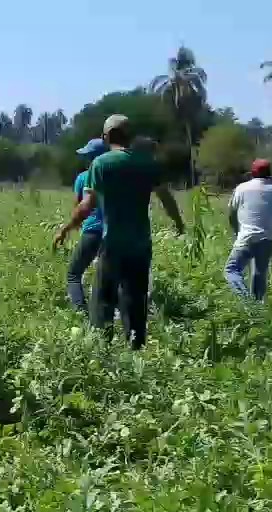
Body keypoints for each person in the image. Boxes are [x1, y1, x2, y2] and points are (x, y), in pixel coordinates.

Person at [54, 115, 185, 348]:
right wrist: (178, 223)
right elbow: (166, 198)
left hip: (113, 243)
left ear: (107, 136)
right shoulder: (147, 163)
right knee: (135, 300)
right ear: (129, 136)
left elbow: (87, 205)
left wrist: (66, 228)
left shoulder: (102, 164)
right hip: (141, 244)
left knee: (103, 299)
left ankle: (101, 351)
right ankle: (135, 349)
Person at [53, 139, 109, 316]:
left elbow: (80, 208)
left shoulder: (83, 178)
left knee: (73, 274)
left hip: (93, 232)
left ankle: (81, 314)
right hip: (116, 232)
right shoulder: (118, 176)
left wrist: (65, 229)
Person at [225, 159, 272, 301]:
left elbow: (231, 213)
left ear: (252, 173)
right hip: (268, 239)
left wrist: (236, 232)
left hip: (246, 237)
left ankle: (247, 302)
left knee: (231, 270)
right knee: (259, 275)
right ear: (269, 173)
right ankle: (257, 309)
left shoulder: (242, 188)